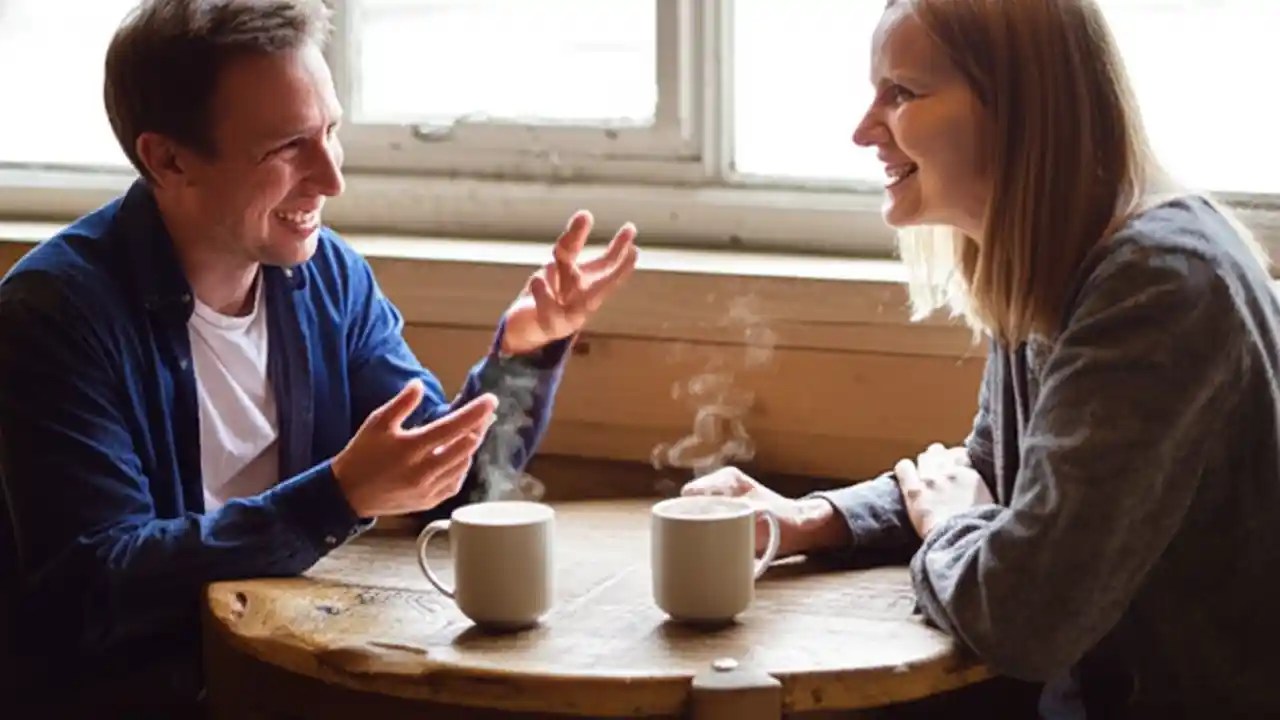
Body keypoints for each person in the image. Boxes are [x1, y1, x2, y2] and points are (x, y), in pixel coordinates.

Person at [0, 0, 637, 713]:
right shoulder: (53, 314)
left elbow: (460, 489)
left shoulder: (329, 277)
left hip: (285, 680)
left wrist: (526, 353)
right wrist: (335, 498)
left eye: (330, 131)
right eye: (286, 148)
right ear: (168, 158)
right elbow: (96, 585)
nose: (332, 178)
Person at [682, 1, 1280, 717]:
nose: (863, 129)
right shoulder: (1058, 260)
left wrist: (946, 528)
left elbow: (1024, 617)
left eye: (899, 93)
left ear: (1020, 108)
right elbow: (990, 475)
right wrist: (813, 519)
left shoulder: (1156, 288)